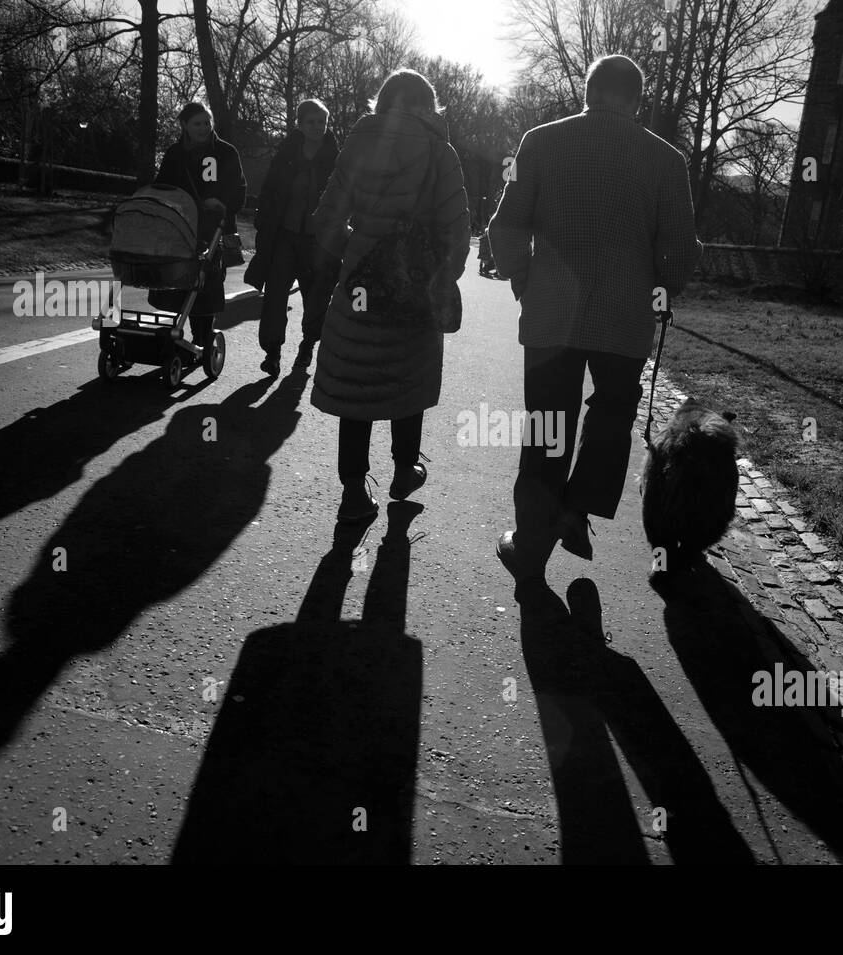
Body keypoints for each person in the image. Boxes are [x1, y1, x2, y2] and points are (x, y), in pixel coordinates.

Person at [489, 54, 702, 584]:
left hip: (552, 314)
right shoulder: (666, 160)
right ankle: (577, 511)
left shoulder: (541, 140)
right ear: (636, 101)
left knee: (547, 425)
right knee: (610, 419)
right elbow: (678, 251)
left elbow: (507, 225)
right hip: (624, 318)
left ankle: (532, 543)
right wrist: (663, 287)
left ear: (587, 91)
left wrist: (522, 280)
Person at [310, 70, 470, 523]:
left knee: (356, 384)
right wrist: (434, 275)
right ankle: (404, 469)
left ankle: (353, 491)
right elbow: (458, 236)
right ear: (429, 106)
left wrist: (357, 256)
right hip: (415, 288)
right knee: (408, 379)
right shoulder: (441, 153)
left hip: (360, 284)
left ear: (381, 103)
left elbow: (325, 220)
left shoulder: (358, 145)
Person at [246, 99, 341, 375]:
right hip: (285, 237)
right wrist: (263, 224)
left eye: (322, 122)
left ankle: (308, 344)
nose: (317, 127)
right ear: (299, 124)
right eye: (311, 122)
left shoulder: (335, 159)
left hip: (318, 241)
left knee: (316, 297)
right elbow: (270, 192)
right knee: (276, 295)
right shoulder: (286, 154)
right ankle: (272, 352)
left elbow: (345, 197)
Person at [151, 102, 246, 352]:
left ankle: (202, 337)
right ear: (184, 125)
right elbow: (163, 185)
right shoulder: (174, 154)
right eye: (197, 124)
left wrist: (223, 204)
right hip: (181, 226)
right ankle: (184, 334)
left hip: (213, 227)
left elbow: (239, 189)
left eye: (207, 122)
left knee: (207, 280)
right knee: (181, 279)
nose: (204, 128)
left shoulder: (225, 153)